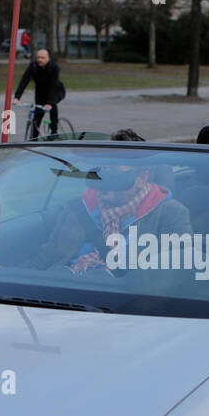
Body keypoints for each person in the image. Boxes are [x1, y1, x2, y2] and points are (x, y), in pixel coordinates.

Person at [34, 163, 191, 273]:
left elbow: (175, 276)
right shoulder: (78, 208)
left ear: (142, 179)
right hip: (64, 292)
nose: (105, 179)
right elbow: (46, 259)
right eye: (103, 171)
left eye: (115, 172)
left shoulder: (169, 213)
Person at [14, 48, 64, 136]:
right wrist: (17, 97)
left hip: (56, 90)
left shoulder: (54, 67)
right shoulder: (33, 66)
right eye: (38, 57)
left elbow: (53, 86)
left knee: (52, 106)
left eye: (43, 58)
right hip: (40, 92)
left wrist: (49, 103)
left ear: (48, 58)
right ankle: (34, 137)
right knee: (38, 115)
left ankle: (54, 131)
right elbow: (24, 81)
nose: (40, 60)